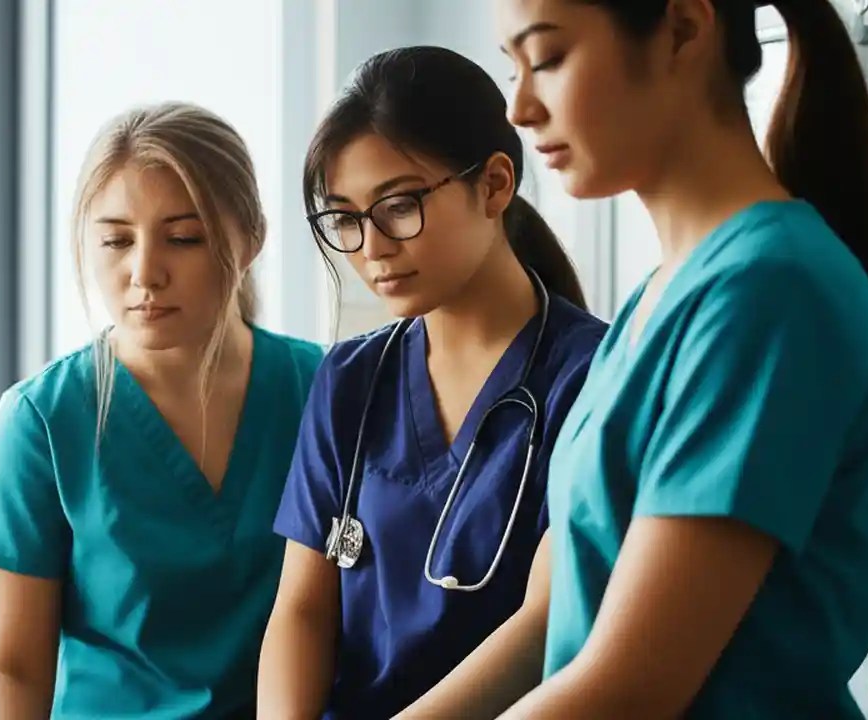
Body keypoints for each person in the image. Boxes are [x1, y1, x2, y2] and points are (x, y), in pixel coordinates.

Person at [464, 0, 868, 718]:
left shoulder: (768, 290)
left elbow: (631, 687)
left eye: (545, 59)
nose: (518, 107)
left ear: (683, 28)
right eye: (510, 68)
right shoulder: (660, 298)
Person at [257, 46, 607, 720]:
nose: (372, 247)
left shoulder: (592, 378)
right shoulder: (349, 381)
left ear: (495, 186)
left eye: (398, 206)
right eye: (346, 220)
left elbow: (542, 628)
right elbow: (301, 613)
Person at [0, 103, 324, 719]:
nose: (144, 273)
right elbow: (9, 667)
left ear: (251, 238)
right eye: (116, 240)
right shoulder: (42, 421)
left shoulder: (323, 390)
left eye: (184, 238)